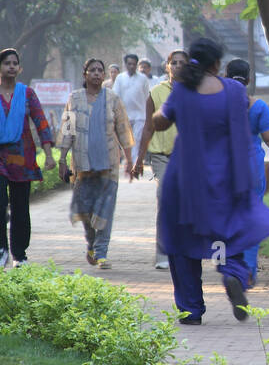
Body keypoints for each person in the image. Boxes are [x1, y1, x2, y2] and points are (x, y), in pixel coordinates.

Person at [132, 38, 269, 325]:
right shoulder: (234, 90)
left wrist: (159, 112)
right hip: (225, 176)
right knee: (227, 233)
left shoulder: (182, 91)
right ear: (217, 64)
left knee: (183, 241)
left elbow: (160, 122)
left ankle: (191, 309)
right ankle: (233, 274)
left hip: (186, 176)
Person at [0, 47, 56, 268]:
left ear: (20, 68)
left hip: (22, 159)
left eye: (15, 63)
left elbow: (41, 122)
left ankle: (19, 254)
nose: (11, 67)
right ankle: (0, 249)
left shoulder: (27, 94)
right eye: (7, 63)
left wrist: (48, 154)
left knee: (20, 207)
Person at [57, 58, 134, 270]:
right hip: (82, 165)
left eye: (100, 70)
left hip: (108, 164)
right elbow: (68, 131)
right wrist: (62, 160)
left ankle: (101, 253)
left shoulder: (113, 99)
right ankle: (91, 242)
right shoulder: (75, 99)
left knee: (105, 209)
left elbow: (123, 130)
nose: (97, 74)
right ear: (85, 75)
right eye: (93, 70)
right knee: (86, 211)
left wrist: (129, 159)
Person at [225, 59, 269, 287]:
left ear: (225, 77)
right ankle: (248, 269)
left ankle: (230, 268)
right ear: (249, 79)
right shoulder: (258, 106)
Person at [138, 49, 187, 269]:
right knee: (164, 198)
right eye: (173, 62)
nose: (177, 66)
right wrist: (139, 160)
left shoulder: (195, 92)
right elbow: (148, 127)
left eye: (181, 62)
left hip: (188, 158)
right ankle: (162, 254)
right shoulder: (156, 92)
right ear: (167, 66)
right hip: (161, 156)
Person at [113, 53, 152, 166]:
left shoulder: (143, 78)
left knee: (137, 139)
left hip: (140, 115)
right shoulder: (120, 78)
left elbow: (146, 97)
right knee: (126, 140)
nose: (131, 66)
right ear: (125, 65)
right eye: (129, 64)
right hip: (124, 115)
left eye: (134, 64)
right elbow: (116, 96)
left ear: (136, 65)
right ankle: (129, 159)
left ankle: (134, 162)